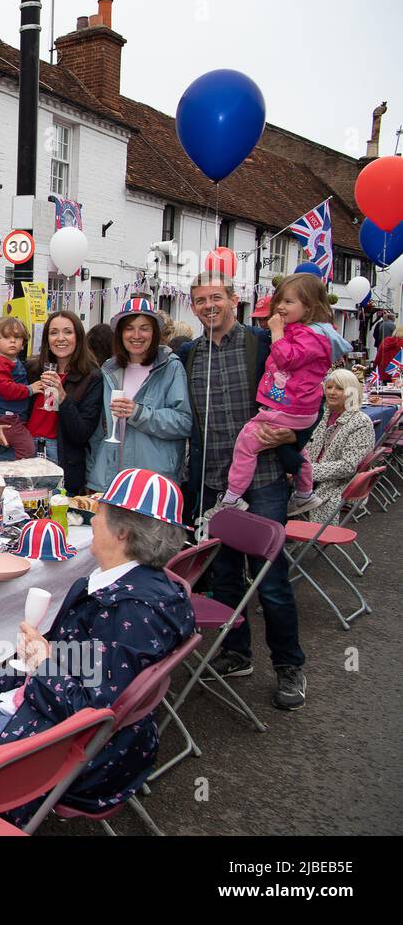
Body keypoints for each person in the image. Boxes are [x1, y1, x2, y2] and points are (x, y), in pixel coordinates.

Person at [0, 468, 193, 814]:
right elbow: (69, 658)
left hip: (69, 752)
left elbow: (90, 713)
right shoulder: (145, 590)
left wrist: (42, 664)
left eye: (100, 511)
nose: (93, 520)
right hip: (54, 715)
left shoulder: (127, 612)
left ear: (122, 532)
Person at [180, 274, 306, 710]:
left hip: (265, 478)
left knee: (270, 581)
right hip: (214, 482)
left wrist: (293, 439)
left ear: (234, 300)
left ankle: (290, 666)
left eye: (216, 297)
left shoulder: (262, 345)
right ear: (192, 308)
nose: (208, 305)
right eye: (200, 300)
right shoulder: (189, 354)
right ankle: (238, 652)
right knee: (226, 576)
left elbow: (309, 396)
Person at [210, 273, 349, 516]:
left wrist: (276, 331)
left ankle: (232, 497)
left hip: (289, 408)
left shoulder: (310, 335)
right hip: (293, 407)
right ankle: (305, 493)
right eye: (280, 301)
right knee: (300, 452)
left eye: (288, 302)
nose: (281, 307)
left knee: (246, 443)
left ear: (308, 308)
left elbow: (286, 359)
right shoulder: (304, 332)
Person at [0, 311, 102, 492]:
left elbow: (82, 433)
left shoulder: (91, 377)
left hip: (59, 456)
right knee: (14, 508)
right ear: (47, 338)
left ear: (78, 336)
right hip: (20, 444)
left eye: (68, 332)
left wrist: (63, 398)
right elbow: (0, 398)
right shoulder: (31, 368)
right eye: (54, 332)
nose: (60, 338)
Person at [87, 298, 192, 491]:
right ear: (120, 333)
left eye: (144, 328)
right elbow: (98, 429)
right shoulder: (109, 369)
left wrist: (138, 413)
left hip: (154, 482)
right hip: (111, 479)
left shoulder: (171, 367)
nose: (136, 335)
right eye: (129, 328)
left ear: (154, 332)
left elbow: (183, 422)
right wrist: (94, 472)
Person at [290, 370, 377, 522]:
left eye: (339, 388)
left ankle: (282, 530)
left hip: (338, 483)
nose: (332, 392)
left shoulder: (360, 422)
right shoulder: (322, 413)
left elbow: (347, 466)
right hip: (310, 474)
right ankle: (278, 530)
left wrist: (303, 471)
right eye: (329, 387)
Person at [0, 315, 40, 460]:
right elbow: (7, 390)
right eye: (6, 337)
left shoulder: (15, 361)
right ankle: (17, 473)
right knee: (27, 449)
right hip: (7, 417)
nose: (13, 340)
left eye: (17, 337)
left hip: (14, 416)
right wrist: (30, 389)